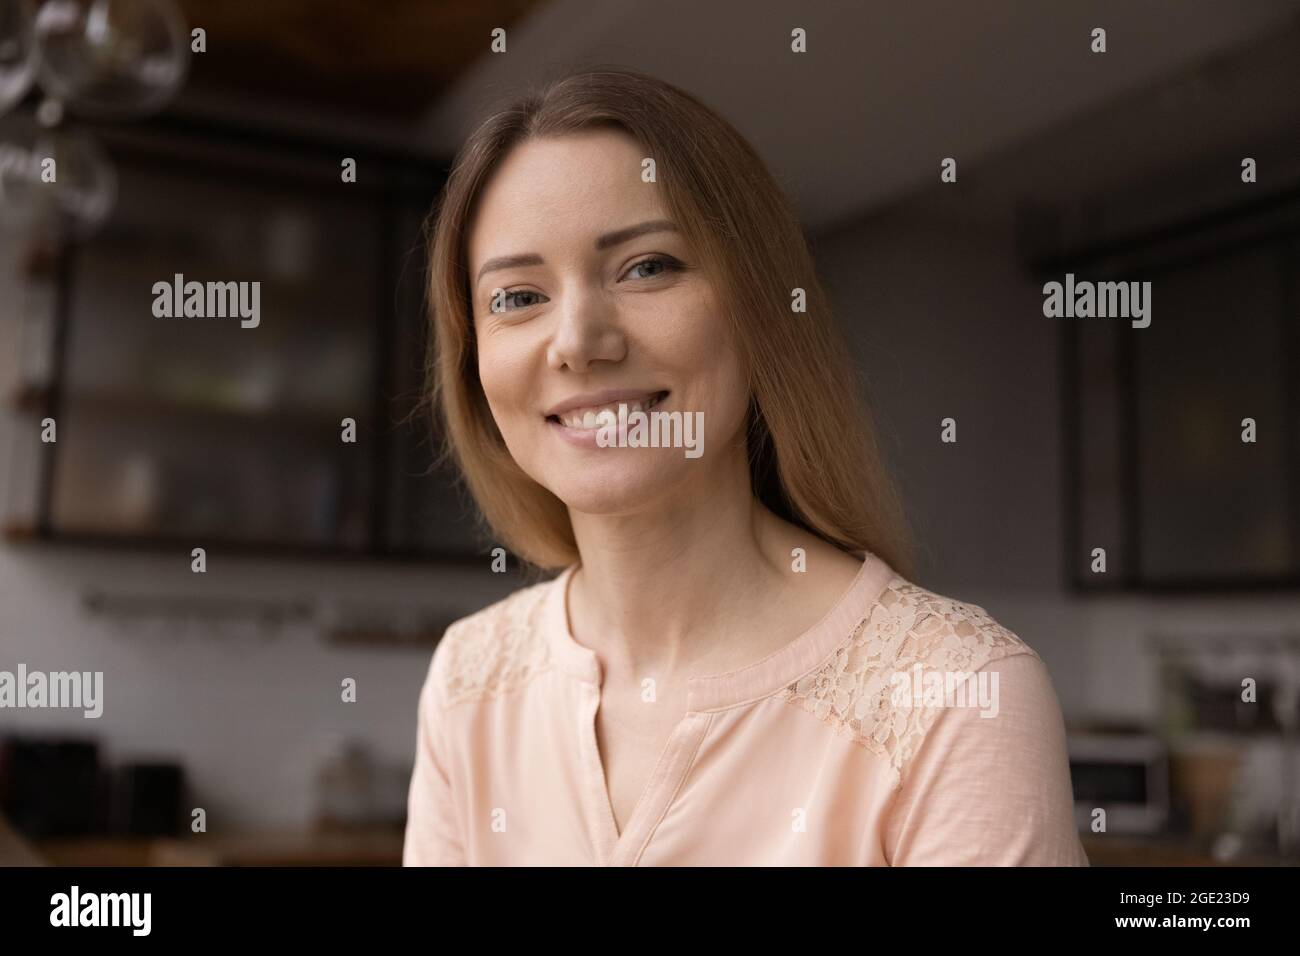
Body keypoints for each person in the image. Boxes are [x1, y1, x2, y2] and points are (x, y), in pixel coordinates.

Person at [403, 67, 1087, 866]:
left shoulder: (960, 697)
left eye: (647, 266)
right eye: (517, 297)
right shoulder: (469, 680)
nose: (579, 340)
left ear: (761, 304)